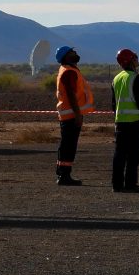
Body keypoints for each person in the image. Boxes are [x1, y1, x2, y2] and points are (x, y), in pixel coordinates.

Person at [109, 47, 139, 193]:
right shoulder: (135, 77)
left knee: (119, 154)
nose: (137, 59)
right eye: (135, 57)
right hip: (135, 123)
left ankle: (117, 184)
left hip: (120, 122)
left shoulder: (116, 78)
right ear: (130, 60)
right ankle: (131, 184)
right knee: (134, 155)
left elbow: (114, 104)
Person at [54, 44, 94, 185]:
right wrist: (77, 114)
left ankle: (62, 173)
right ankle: (64, 176)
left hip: (69, 114)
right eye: (72, 51)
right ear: (66, 56)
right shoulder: (69, 72)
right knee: (69, 146)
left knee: (66, 145)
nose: (75, 52)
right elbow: (71, 94)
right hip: (71, 115)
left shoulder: (68, 70)